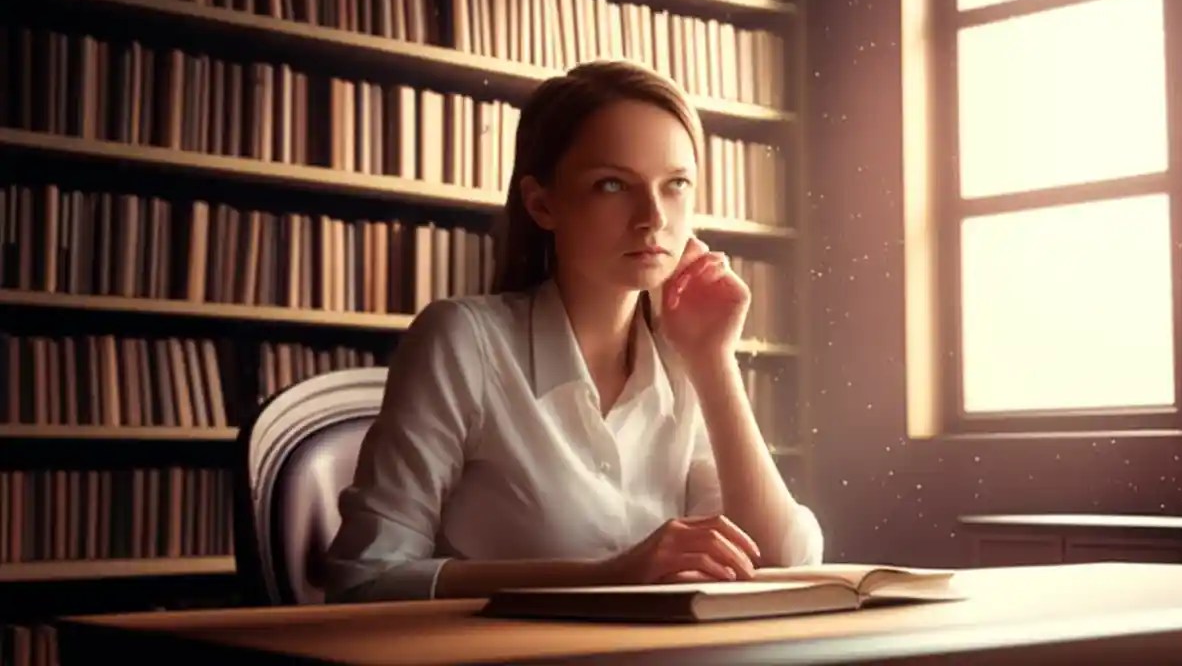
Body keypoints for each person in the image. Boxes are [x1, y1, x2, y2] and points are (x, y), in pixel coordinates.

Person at [324, 60, 824, 602]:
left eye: (676, 185)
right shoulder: (464, 341)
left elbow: (781, 561)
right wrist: (606, 576)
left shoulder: (683, 359)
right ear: (542, 203)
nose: (653, 218)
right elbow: (364, 578)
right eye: (612, 185)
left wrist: (714, 360)